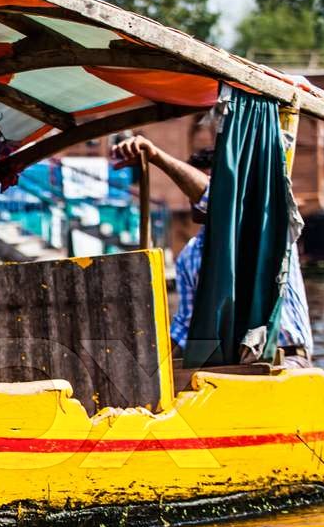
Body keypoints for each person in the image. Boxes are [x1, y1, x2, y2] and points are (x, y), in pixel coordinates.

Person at [111, 134, 313, 366]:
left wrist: (155, 155)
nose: (191, 195)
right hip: (230, 366)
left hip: (285, 361)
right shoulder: (191, 254)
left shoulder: (262, 226)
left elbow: (216, 199)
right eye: (188, 184)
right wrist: (147, 366)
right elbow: (184, 330)